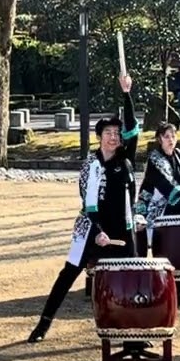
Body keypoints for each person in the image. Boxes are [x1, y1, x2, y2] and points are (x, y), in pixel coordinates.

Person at [28, 72, 140, 343]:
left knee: (133, 275)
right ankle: (43, 325)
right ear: (99, 137)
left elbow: (133, 128)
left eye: (116, 133)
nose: (113, 137)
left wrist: (126, 93)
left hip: (123, 227)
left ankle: (134, 332)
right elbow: (89, 204)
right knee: (69, 273)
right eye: (108, 133)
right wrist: (99, 232)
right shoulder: (92, 164)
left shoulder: (125, 160)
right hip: (92, 227)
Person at [135, 123, 180, 246]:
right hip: (158, 207)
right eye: (167, 136)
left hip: (178, 205)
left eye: (173, 136)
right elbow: (167, 186)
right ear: (160, 139)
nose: (171, 139)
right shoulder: (154, 160)